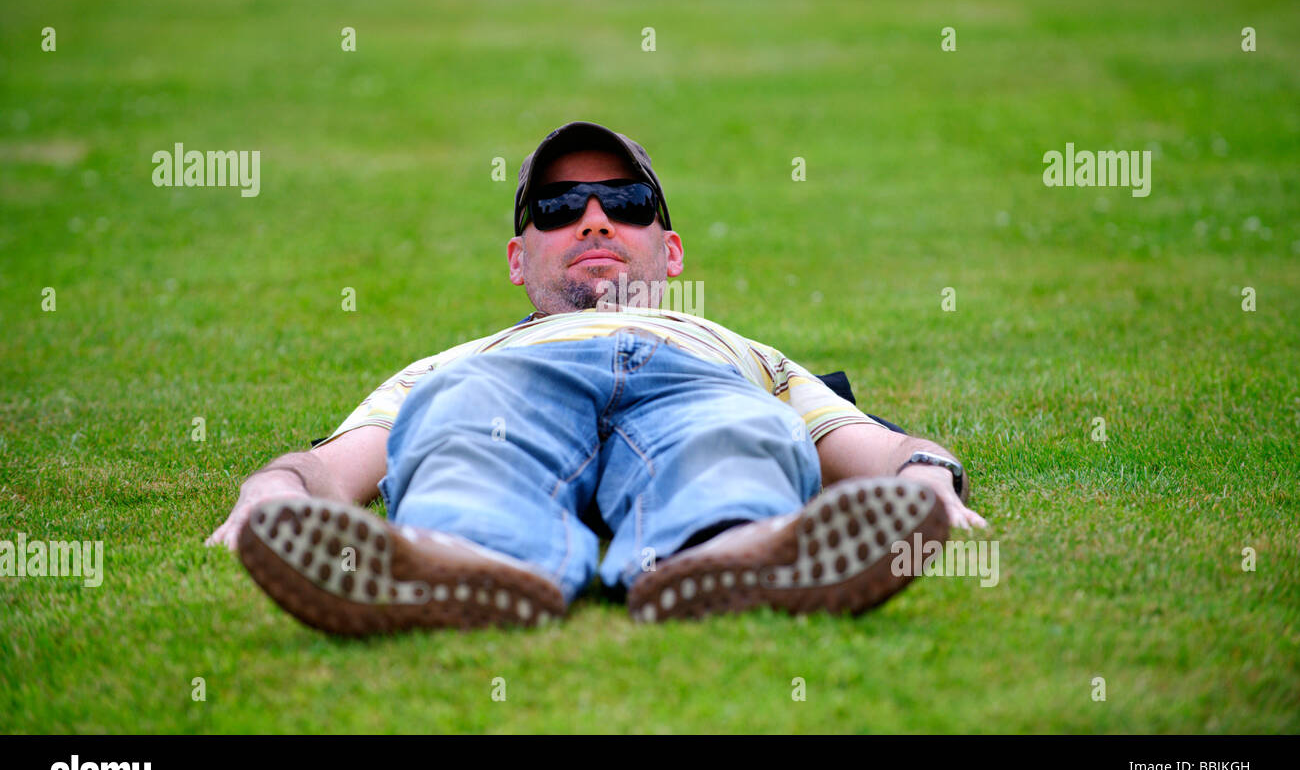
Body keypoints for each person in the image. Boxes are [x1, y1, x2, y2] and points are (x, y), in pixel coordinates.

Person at [206, 121, 986, 635]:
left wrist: (927, 481)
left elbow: (870, 445)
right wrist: (270, 494)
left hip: (692, 378)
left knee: (732, 428)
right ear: (518, 259)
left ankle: (734, 549)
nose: (593, 218)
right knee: (466, 424)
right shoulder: (456, 364)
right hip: (513, 379)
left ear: (671, 250)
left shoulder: (739, 350)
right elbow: (332, 467)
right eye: (556, 206)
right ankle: (462, 558)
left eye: (625, 199)